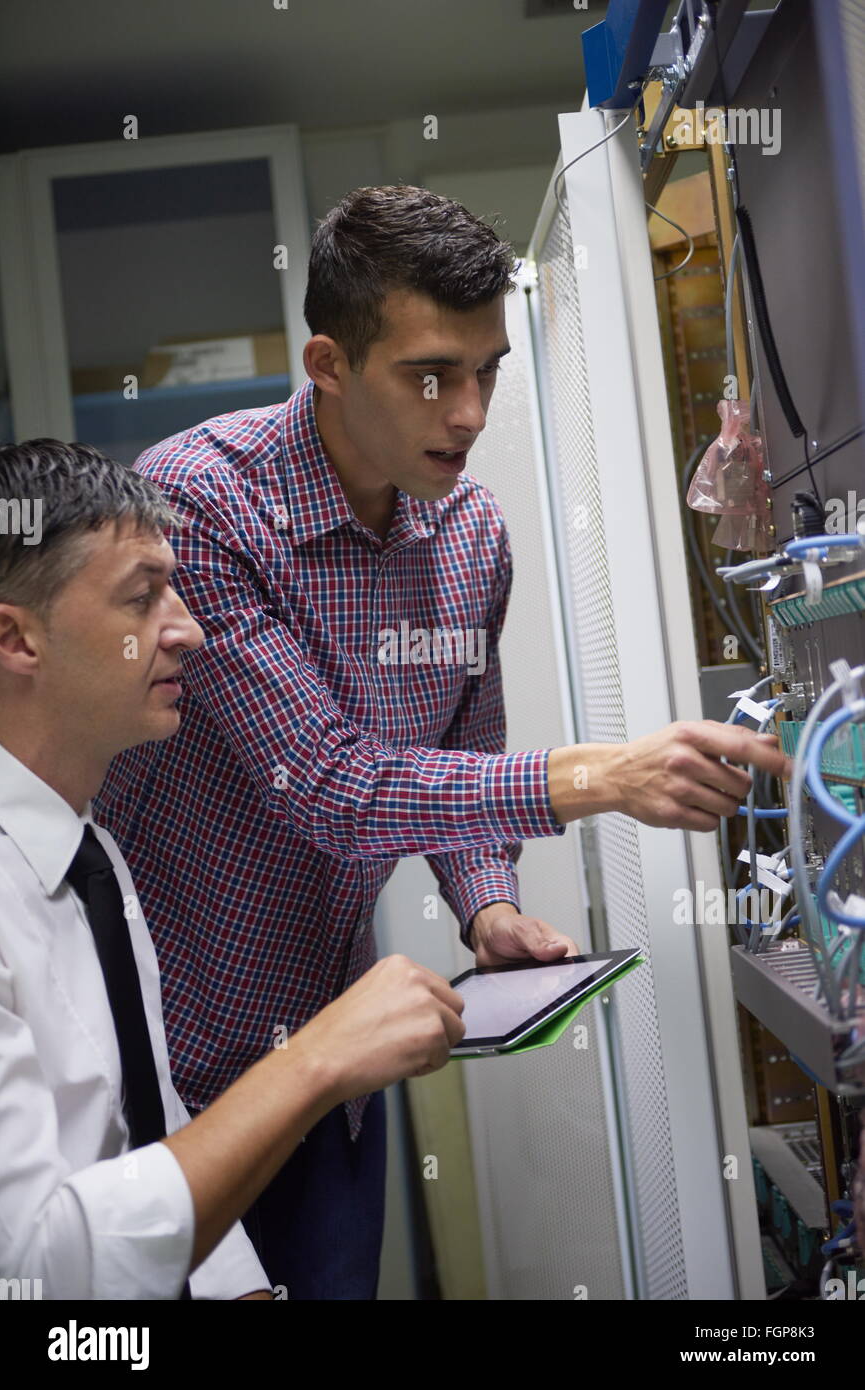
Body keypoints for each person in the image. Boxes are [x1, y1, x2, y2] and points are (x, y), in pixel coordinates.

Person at [94, 182, 792, 1299]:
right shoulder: (203, 503)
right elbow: (328, 785)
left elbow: (463, 739)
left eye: (486, 372)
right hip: (162, 1068)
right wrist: (601, 774)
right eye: (431, 375)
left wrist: (486, 905)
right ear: (328, 364)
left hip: (332, 1059)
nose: (468, 413)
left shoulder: (471, 532)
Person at [0, 440, 466, 1299]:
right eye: (141, 598)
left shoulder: (91, 855)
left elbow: (146, 1124)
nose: (188, 629)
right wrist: (316, 1061)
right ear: (15, 638)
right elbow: (35, 1266)